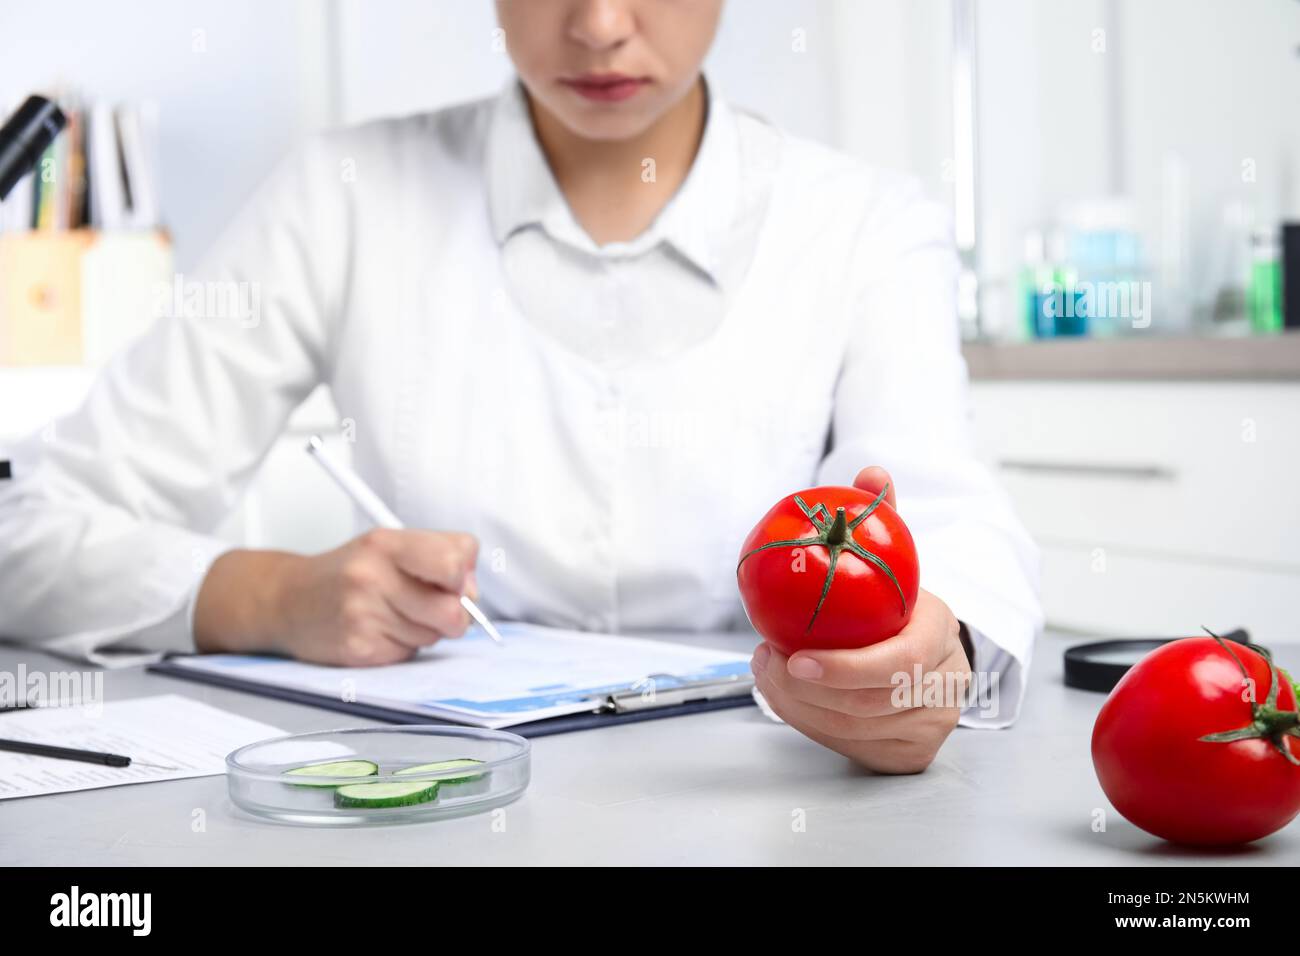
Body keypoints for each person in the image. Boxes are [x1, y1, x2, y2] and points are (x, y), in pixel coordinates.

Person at [0, 0, 1041, 774]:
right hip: (437, 801)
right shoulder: (344, 195)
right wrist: (266, 594)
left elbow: (948, 517)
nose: (596, 26)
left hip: (765, 802)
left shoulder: (866, 224)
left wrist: (928, 658)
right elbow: (27, 527)